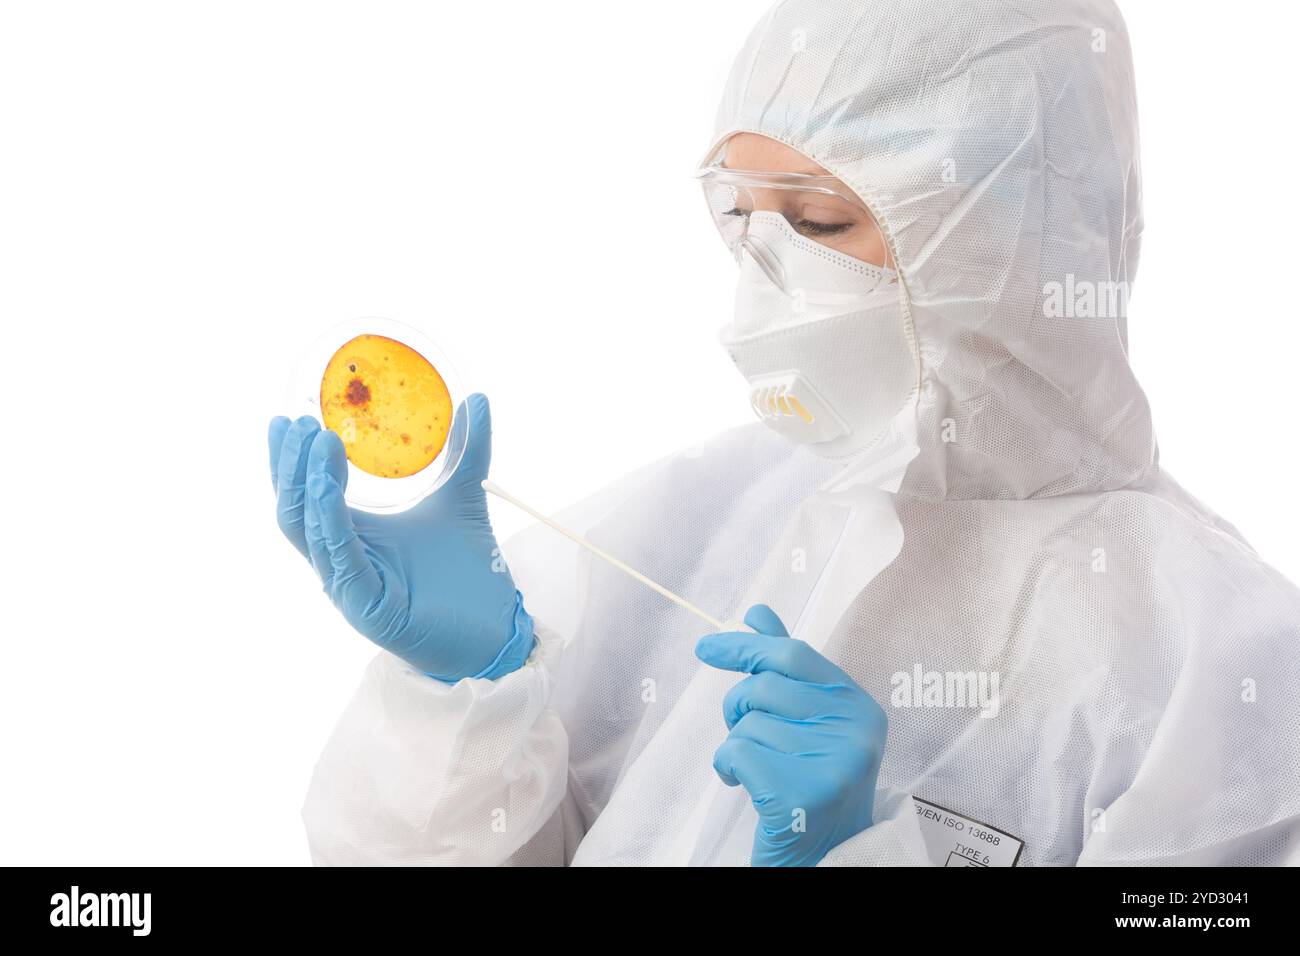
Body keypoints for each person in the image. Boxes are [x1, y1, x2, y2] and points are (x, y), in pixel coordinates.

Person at [267, 0, 1300, 866]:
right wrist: (470, 701)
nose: (767, 277)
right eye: (741, 219)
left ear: (1017, 225)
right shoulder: (709, 516)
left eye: (813, 222)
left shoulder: (1223, 666)